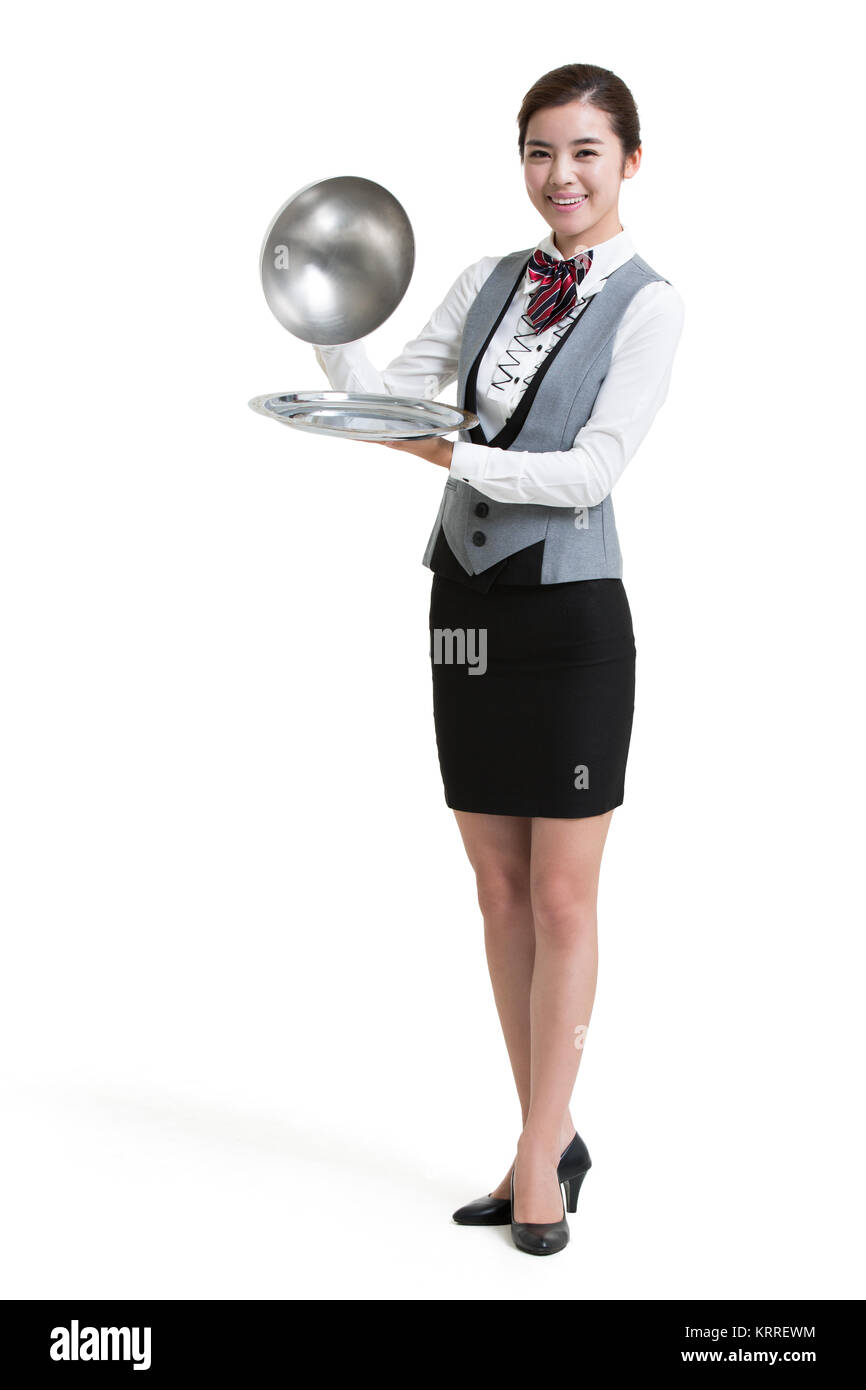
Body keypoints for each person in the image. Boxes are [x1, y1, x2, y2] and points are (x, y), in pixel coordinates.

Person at [313, 62, 685, 1256]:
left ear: (628, 160)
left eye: (583, 150)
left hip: (570, 623)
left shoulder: (648, 303)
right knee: (497, 890)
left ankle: (538, 1154)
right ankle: (548, 1131)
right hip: (465, 606)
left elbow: (586, 474)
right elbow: (401, 408)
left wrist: (449, 455)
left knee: (567, 894)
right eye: (538, 150)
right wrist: (332, 335)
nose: (558, 174)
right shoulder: (485, 282)